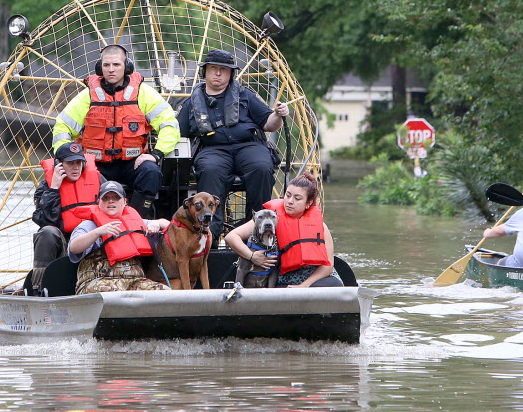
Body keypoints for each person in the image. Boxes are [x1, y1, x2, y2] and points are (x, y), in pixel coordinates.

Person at [51, 44, 180, 219]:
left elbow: (169, 124)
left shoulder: (143, 93)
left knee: (152, 172)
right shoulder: (87, 96)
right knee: (79, 178)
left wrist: (156, 154)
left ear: (126, 66)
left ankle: (136, 221)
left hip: (132, 163)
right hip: (96, 164)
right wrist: (70, 158)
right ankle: (92, 223)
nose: (111, 70)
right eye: (106, 65)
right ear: (100, 67)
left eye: (116, 65)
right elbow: (62, 128)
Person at [177, 48, 289, 238]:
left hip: (249, 146)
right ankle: (209, 237)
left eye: (224, 69)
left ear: (231, 73)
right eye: (214, 68)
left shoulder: (246, 95)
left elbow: (270, 125)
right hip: (212, 149)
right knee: (210, 170)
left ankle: (257, 233)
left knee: (262, 167)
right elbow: (178, 133)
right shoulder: (191, 103)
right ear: (206, 71)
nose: (218, 73)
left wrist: (278, 114)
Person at [225, 173, 343, 288]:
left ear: (308, 203)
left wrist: (304, 286)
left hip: (317, 279)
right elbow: (232, 237)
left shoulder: (321, 227)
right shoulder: (271, 219)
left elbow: (328, 267)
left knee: (333, 287)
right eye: (287, 195)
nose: (290, 201)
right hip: (286, 278)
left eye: (297, 198)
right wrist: (251, 256)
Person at [67, 181, 172, 294]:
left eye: (116, 198)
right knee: (116, 294)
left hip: (135, 281)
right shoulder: (88, 225)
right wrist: (98, 232)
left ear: (125, 202)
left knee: (165, 293)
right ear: (98, 202)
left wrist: (158, 223)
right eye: (105, 198)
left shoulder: (138, 223)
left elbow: (172, 227)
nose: (111, 201)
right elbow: (74, 248)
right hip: (98, 281)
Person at [30, 142, 104, 288]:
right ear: (59, 164)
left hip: (92, 241)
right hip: (65, 245)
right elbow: (44, 220)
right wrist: (54, 188)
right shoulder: (46, 187)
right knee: (47, 233)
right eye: (70, 163)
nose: (76, 167)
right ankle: (39, 287)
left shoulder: (99, 180)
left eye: (79, 162)